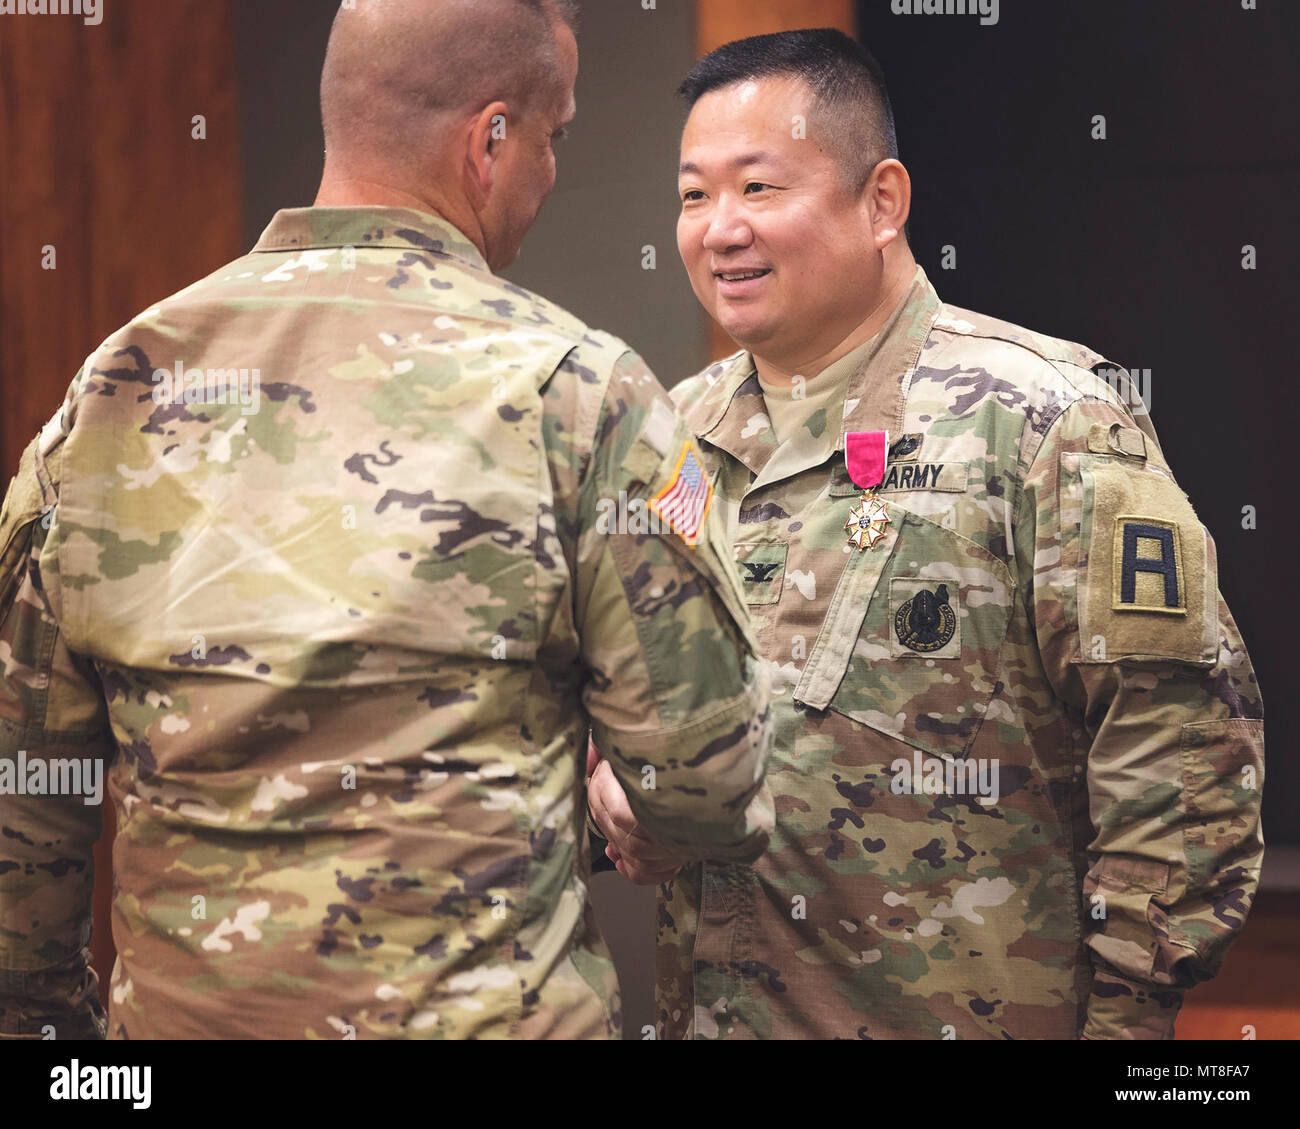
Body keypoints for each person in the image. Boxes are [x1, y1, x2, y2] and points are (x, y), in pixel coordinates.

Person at [0, 0, 771, 1041]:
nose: (552, 173)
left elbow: (23, 812)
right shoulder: (577, 394)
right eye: (555, 138)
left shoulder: (112, 392)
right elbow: (705, 785)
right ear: (489, 141)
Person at [588, 28, 1264, 1040]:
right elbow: (630, 697)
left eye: (759, 188)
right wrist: (627, 792)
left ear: (882, 202)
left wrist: (1128, 1026)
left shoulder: (1042, 420)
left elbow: (1181, 754)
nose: (719, 228)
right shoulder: (672, 435)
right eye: (692, 195)